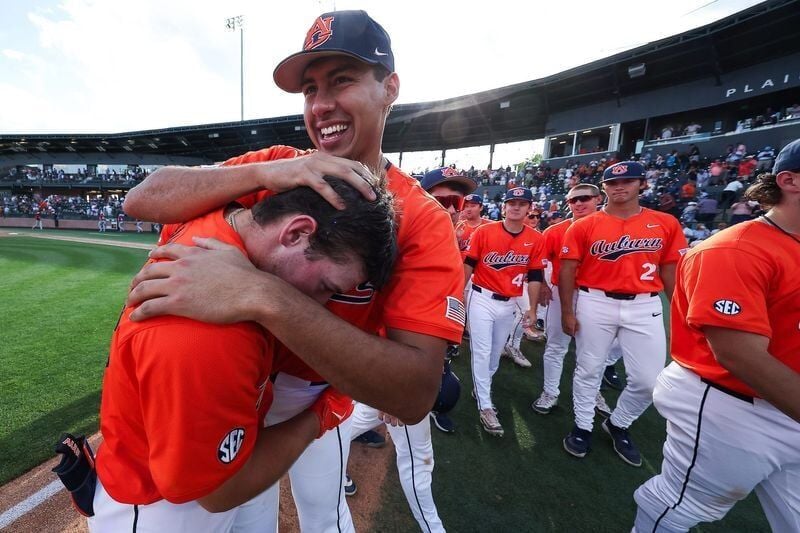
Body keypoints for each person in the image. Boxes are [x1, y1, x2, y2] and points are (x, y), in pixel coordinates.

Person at [123, 10, 465, 532]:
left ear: (389, 88)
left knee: (323, 516)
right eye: (309, 88)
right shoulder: (282, 164)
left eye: (342, 80)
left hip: (315, 385)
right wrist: (268, 170)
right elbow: (143, 199)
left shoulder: (421, 218)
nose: (321, 104)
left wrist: (265, 296)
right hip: (236, 377)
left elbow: (415, 394)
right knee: (242, 513)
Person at [90, 177, 396, 532]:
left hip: (160, 479)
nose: (320, 305)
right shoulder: (209, 336)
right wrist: (322, 413)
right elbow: (219, 492)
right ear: (296, 232)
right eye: (327, 287)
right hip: (159, 510)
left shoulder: (220, 221)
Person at [632, 138, 800, 532]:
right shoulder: (736, 248)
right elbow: (741, 355)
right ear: (790, 181)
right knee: (679, 507)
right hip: (732, 405)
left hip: (785, 404)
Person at [559, 161, 688, 467]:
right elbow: (567, 270)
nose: (620, 187)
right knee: (588, 369)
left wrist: (681, 311)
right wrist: (567, 310)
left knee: (648, 381)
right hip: (595, 300)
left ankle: (618, 422)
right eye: (613, 183)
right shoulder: (584, 225)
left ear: (642, 184)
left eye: (628, 181)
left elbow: (670, 270)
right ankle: (583, 425)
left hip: (645, 302)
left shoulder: (665, 222)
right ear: (604, 188)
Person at [464, 187, 546, 436]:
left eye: (522, 203)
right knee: (481, 349)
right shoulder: (485, 231)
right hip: (481, 298)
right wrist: (457, 294)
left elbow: (534, 275)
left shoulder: (536, 238)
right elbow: (469, 264)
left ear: (530, 208)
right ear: (504, 207)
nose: (516, 207)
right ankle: (486, 406)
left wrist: (532, 308)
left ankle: (482, 386)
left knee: (495, 353)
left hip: (509, 302)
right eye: (512, 202)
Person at [531, 184, 615, 417]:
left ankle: (592, 392)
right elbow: (537, 260)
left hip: (598, 295)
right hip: (562, 292)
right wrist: (545, 286)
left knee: (594, 351)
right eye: (573, 200)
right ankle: (550, 392)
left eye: (584, 198)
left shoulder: (613, 227)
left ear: (598, 198)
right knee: (556, 345)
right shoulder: (556, 231)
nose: (578, 203)